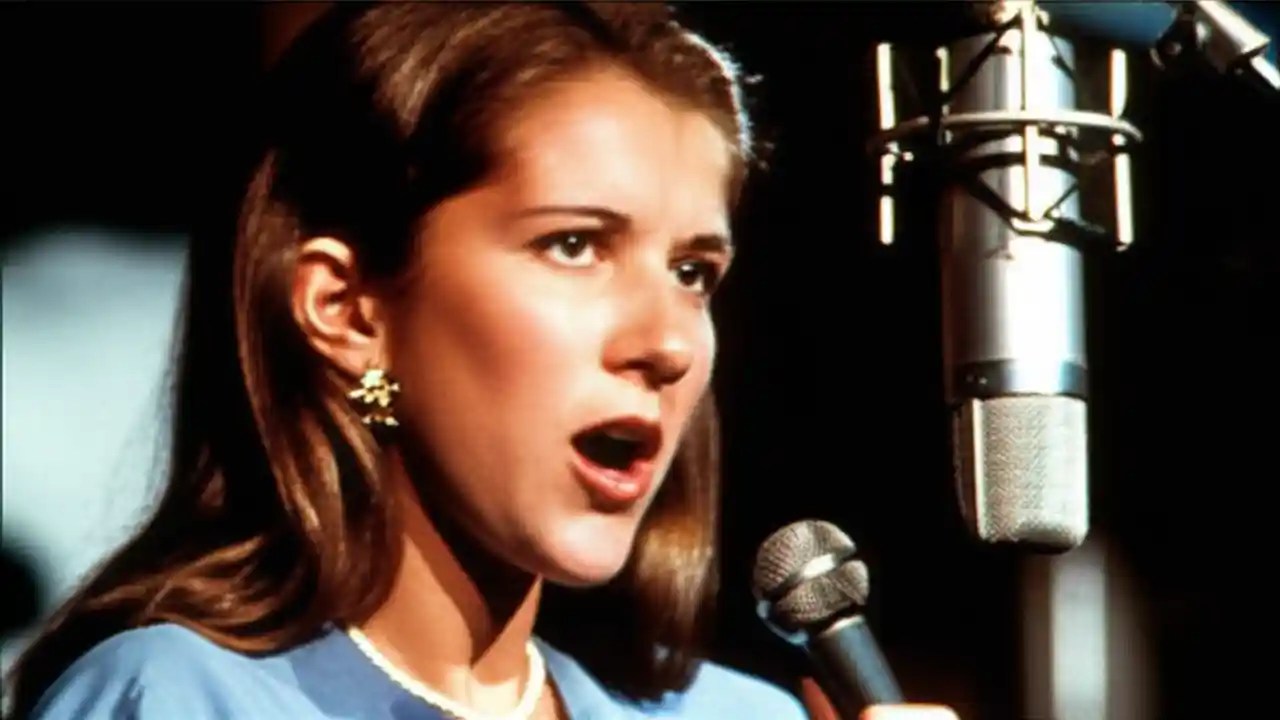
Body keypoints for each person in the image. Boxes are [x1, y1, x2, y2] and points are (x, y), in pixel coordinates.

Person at [5, 4, 956, 719]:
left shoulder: (740, 717)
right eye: (575, 246)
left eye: (693, 271)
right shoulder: (175, 699)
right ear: (346, 310)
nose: (667, 343)